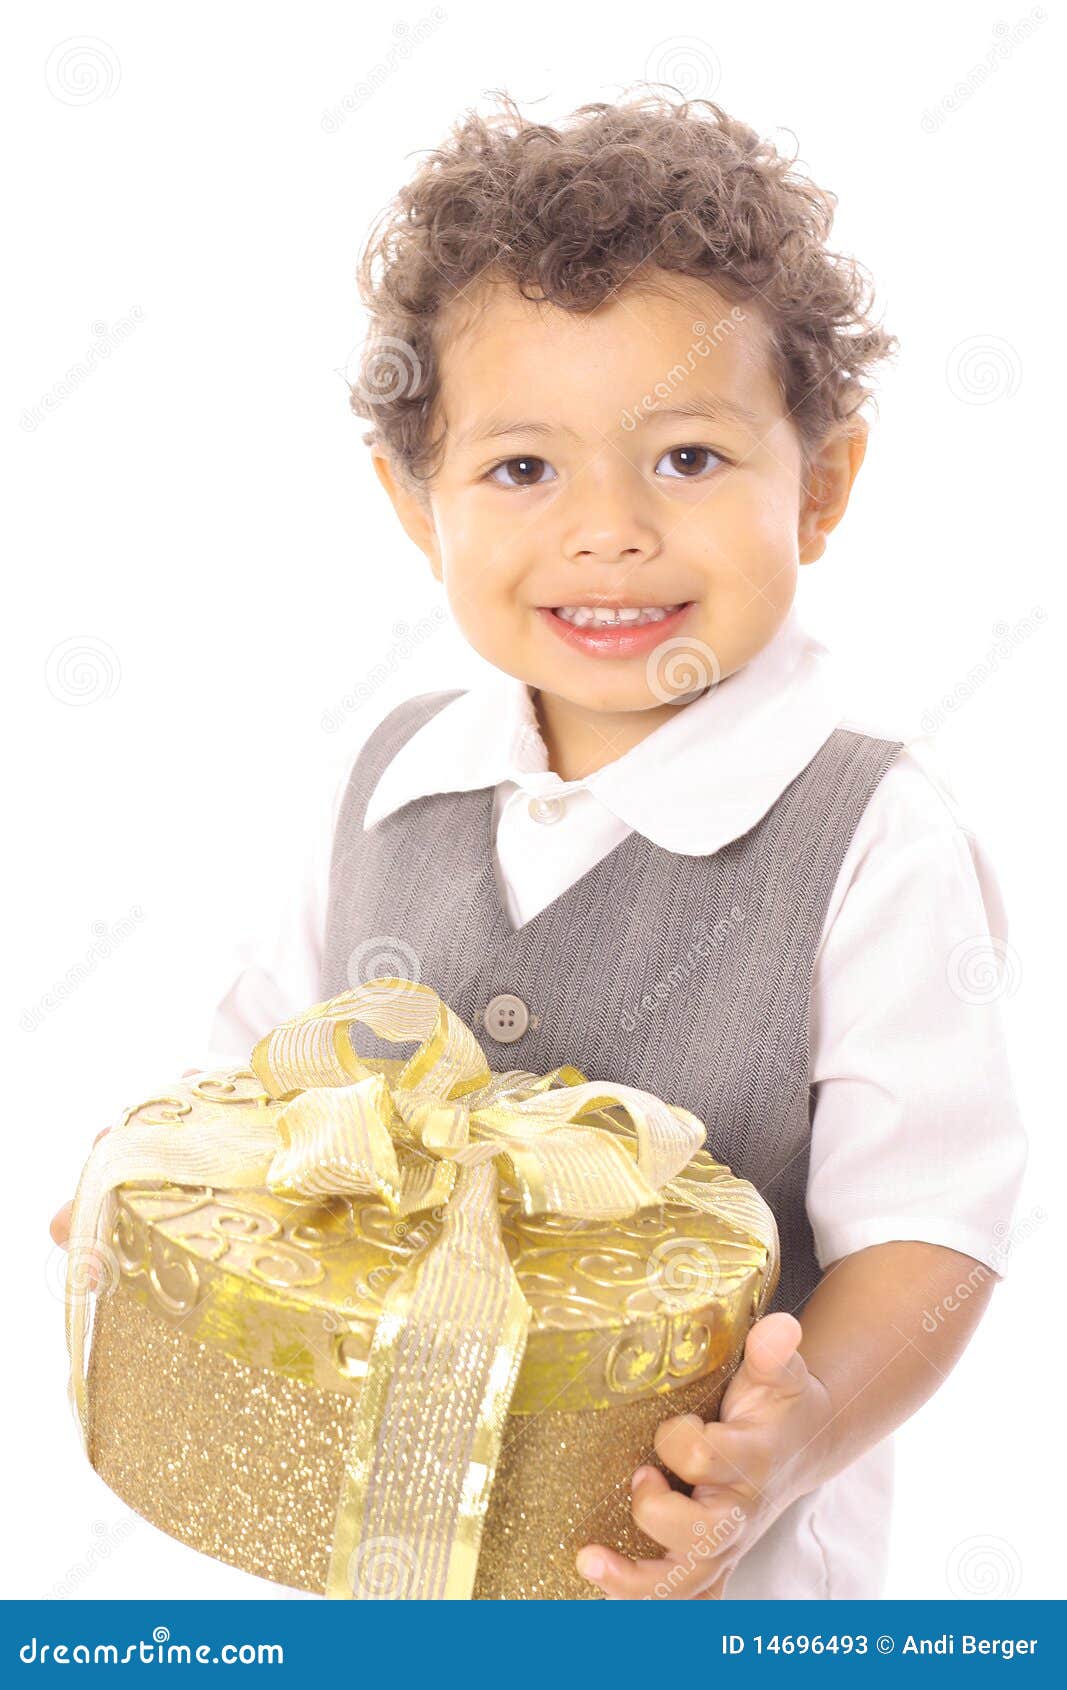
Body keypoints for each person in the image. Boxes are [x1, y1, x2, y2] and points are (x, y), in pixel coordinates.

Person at [51, 89, 1027, 1600]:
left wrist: (803, 1430)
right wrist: (152, 1185)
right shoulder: (384, 783)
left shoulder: (869, 838)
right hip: (373, 1553)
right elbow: (254, 1081)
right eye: (523, 471)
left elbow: (932, 1231)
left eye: (689, 458)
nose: (609, 528)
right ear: (415, 505)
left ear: (823, 485)